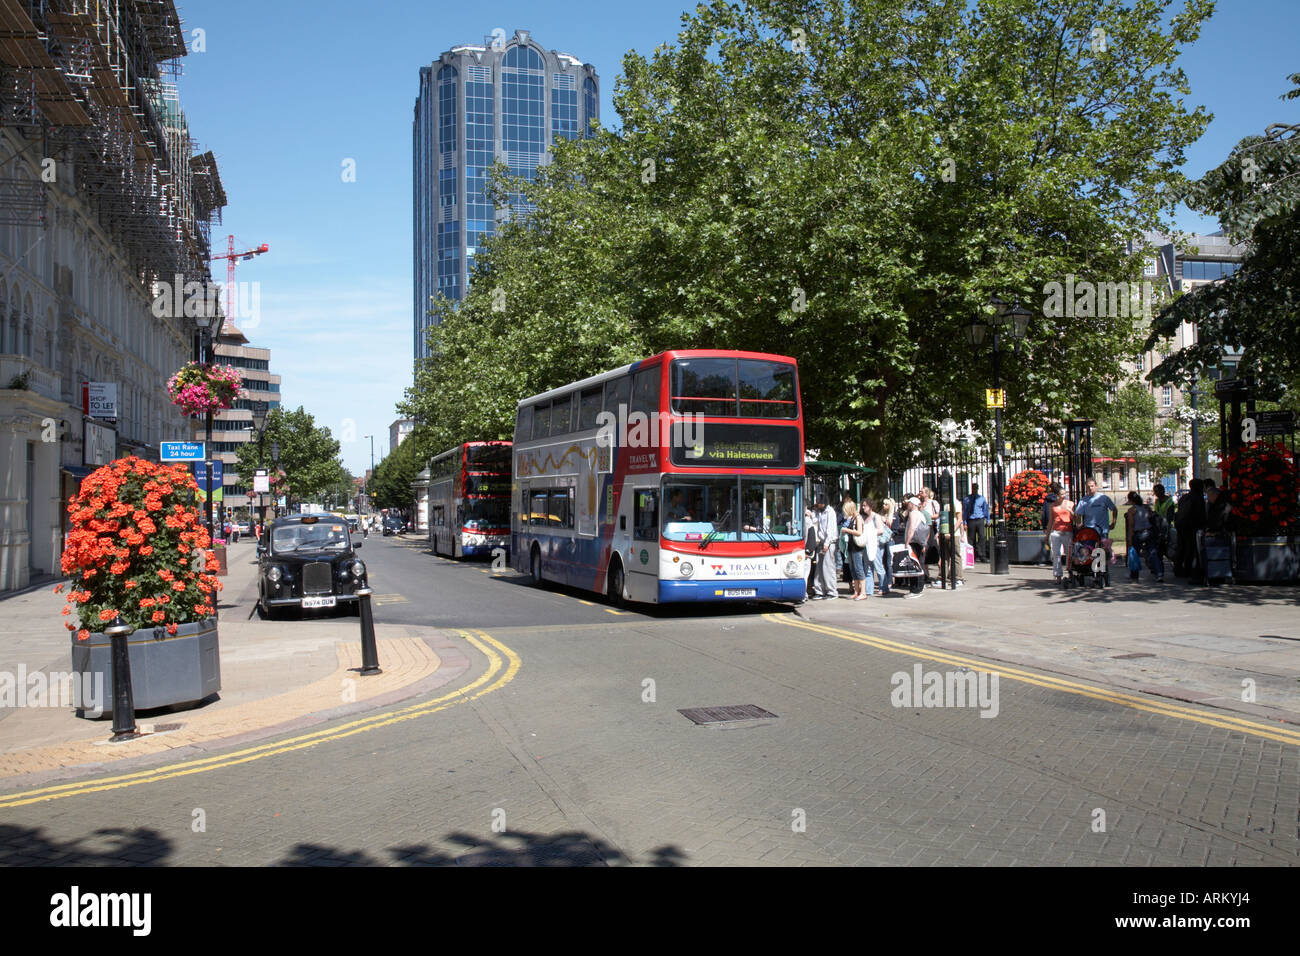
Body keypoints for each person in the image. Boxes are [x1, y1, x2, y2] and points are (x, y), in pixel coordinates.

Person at [1073, 478, 1117, 564]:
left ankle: (1103, 564)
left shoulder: (1103, 498)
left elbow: (1114, 509)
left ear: (1096, 486)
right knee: (1089, 548)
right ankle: (1090, 565)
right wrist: (1078, 523)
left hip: (1102, 528)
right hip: (1089, 530)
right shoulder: (1083, 500)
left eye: (1092, 486)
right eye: (1088, 487)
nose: (1090, 488)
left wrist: (1113, 522)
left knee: (1103, 548)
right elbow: (1078, 514)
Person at [1123, 490, 1163, 582]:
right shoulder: (1146, 508)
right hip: (1149, 531)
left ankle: (1134, 575)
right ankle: (1159, 573)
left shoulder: (1132, 510)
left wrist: (1129, 538)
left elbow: (1131, 525)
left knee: (1134, 554)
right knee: (1153, 552)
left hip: (1138, 533)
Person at [1175, 478, 1206, 580]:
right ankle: (1188, 569)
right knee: (1191, 547)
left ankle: (1178, 568)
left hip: (1181, 525)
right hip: (1192, 526)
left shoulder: (1184, 497)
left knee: (1182, 547)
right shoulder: (1198, 498)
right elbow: (1200, 514)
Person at [812, 495, 839, 599]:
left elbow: (830, 529)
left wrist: (827, 543)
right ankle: (820, 590)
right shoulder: (819, 512)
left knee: (828, 568)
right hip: (821, 542)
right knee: (819, 568)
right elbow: (815, 521)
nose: (817, 504)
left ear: (824, 503)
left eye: (819, 502)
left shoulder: (830, 512)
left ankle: (831, 591)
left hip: (829, 542)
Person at [842, 500, 870, 599]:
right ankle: (856, 591)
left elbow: (859, 532)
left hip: (857, 547)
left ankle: (863, 592)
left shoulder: (858, 518)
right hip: (850, 545)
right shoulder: (852, 518)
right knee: (853, 569)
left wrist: (847, 530)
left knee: (859, 568)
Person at [1047, 488, 1075, 582]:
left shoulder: (1070, 504)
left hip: (1067, 531)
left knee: (1069, 554)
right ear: (1057, 495)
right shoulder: (1053, 506)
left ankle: (1070, 573)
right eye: (1061, 494)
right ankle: (1058, 575)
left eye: (1065, 494)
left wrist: (1070, 511)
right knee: (1056, 554)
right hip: (1056, 532)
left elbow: (1075, 518)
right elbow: (1051, 521)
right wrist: (1047, 535)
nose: (1064, 496)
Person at [937, 496, 965, 587]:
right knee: (944, 556)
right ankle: (943, 577)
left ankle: (958, 577)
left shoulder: (956, 503)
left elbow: (959, 519)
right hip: (945, 533)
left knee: (956, 556)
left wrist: (951, 532)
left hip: (954, 534)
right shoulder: (945, 504)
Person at [963, 484, 989, 562]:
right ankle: (972, 556)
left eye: (976, 488)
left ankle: (982, 555)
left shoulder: (981, 499)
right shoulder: (967, 499)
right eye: (973, 488)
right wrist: (964, 522)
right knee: (971, 538)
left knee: (982, 537)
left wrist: (987, 520)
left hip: (979, 519)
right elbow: (965, 511)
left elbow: (985, 510)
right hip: (971, 519)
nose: (974, 490)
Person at [877, 498, 897, 596]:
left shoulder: (894, 516)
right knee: (882, 562)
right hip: (881, 541)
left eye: (886, 504)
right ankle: (884, 582)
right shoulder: (880, 515)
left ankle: (889, 582)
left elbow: (895, 530)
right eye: (883, 504)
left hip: (889, 541)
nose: (884, 506)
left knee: (889, 562)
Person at [1152, 482, 1176, 561]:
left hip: (1166, 527)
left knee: (1164, 546)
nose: (1156, 493)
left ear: (1162, 491)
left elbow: (1170, 516)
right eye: (1155, 492)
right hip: (1158, 526)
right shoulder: (1157, 501)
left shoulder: (1169, 502)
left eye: (1157, 491)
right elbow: (1157, 512)